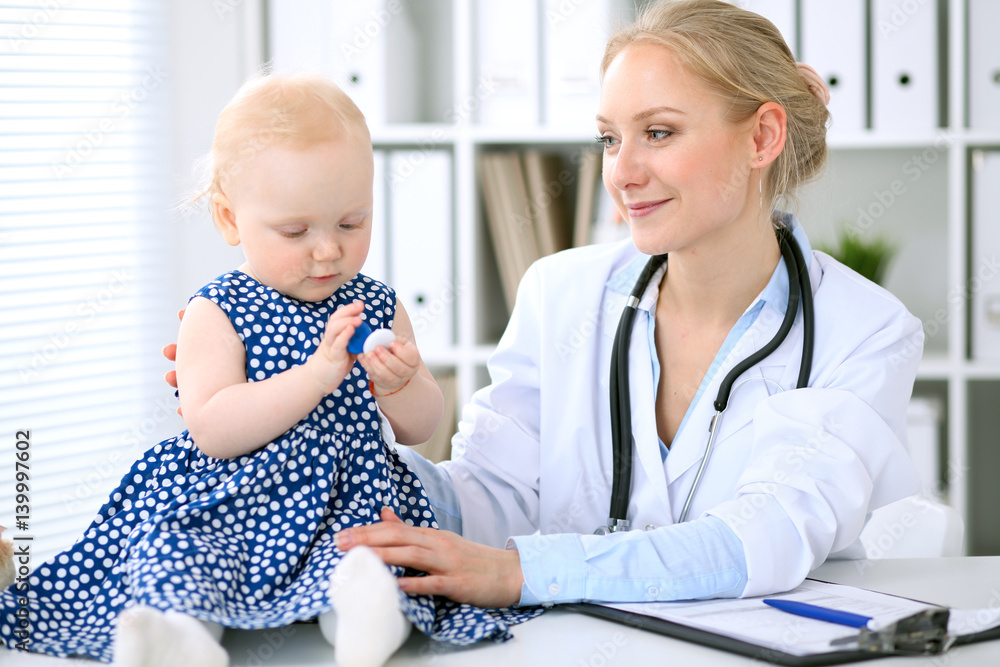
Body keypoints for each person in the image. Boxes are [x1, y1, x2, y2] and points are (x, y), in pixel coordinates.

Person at [327, 0, 924, 610]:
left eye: (658, 132)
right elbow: (488, 495)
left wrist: (527, 572)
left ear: (763, 137)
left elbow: (762, 537)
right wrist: (342, 454)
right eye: (610, 138)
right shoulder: (558, 293)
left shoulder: (866, 330)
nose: (622, 172)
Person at [0, 73, 537, 667]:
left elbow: (421, 428)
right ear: (231, 220)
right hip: (228, 504)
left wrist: (402, 384)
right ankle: (180, 635)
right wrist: (314, 376)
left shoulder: (378, 303)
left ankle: (366, 616)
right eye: (296, 231)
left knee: (373, 551)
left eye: (352, 223)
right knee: (173, 549)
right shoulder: (215, 311)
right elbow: (213, 428)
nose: (329, 250)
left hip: (345, 498)